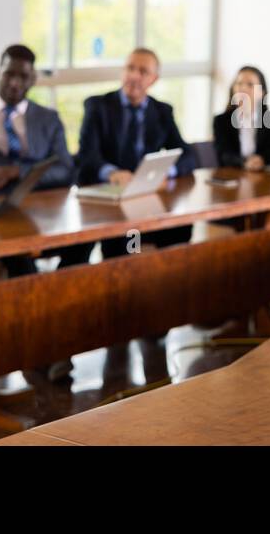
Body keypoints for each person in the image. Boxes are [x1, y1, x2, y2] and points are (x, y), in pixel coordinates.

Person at [76, 47, 197, 385]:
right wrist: (111, 171)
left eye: (143, 71)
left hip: (147, 201)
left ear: (153, 79)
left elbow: (189, 155)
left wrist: (167, 173)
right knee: (118, 250)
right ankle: (119, 319)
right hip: (109, 204)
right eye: (130, 68)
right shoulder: (97, 106)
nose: (135, 76)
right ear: (122, 71)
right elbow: (85, 157)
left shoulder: (162, 110)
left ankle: (159, 312)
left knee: (180, 229)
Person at [0, 44, 92, 274]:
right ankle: (33, 299)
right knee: (21, 259)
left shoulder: (47, 119)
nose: (14, 83)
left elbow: (65, 169)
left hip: (36, 208)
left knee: (85, 239)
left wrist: (16, 172)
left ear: (32, 79)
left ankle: (58, 297)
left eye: (22, 76)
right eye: (8, 74)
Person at [213, 65, 270, 171]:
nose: (243, 88)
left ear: (262, 92)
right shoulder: (221, 121)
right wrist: (244, 162)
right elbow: (224, 155)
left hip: (262, 176)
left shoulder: (269, 118)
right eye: (239, 83)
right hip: (234, 175)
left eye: (250, 84)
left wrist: (261, 159)